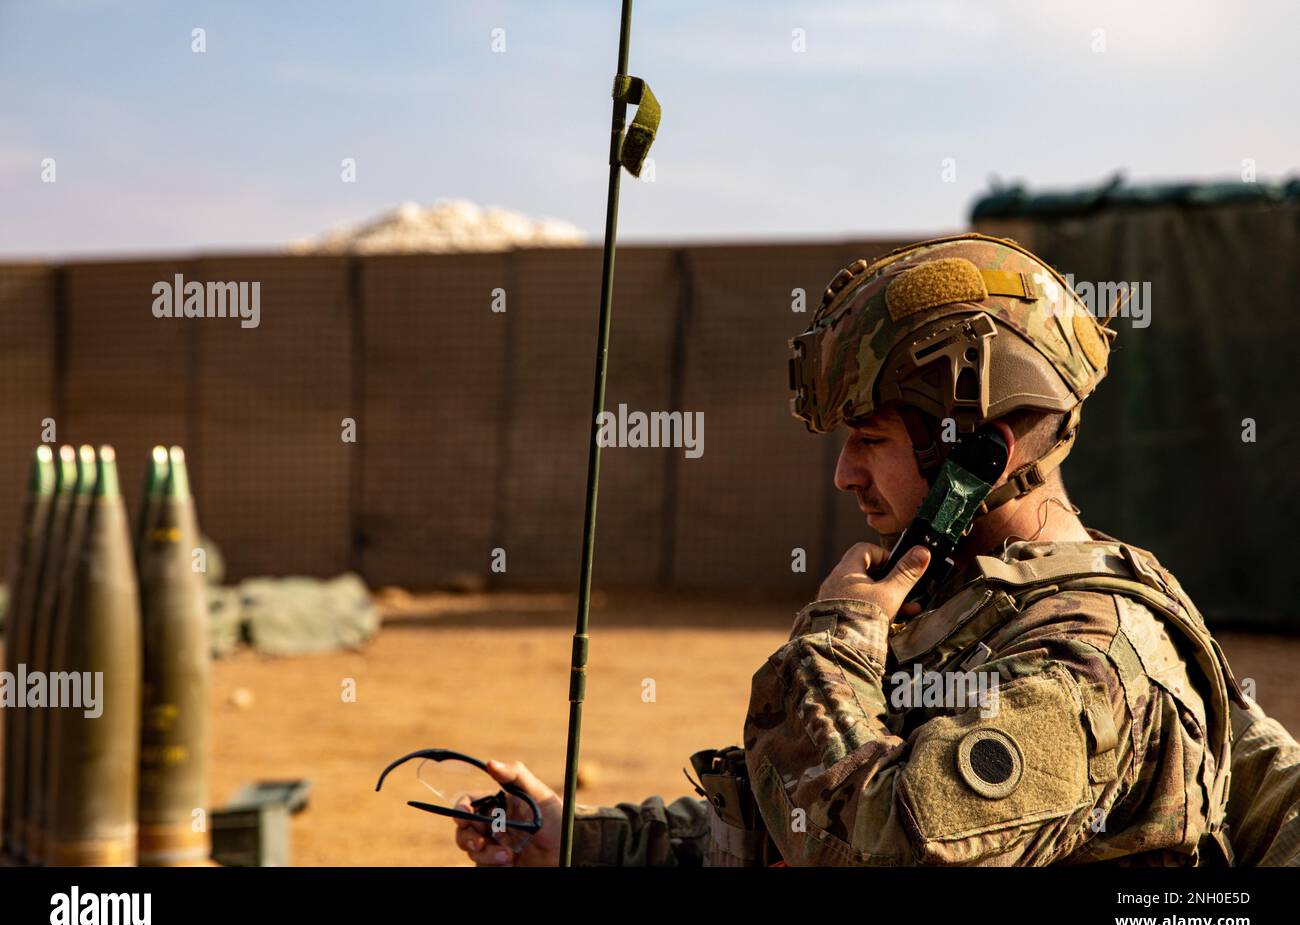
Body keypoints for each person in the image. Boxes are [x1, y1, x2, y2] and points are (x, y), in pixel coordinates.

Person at [452, 233, 1275, 866]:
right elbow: (798, 815)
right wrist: (579, 839)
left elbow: (885, 845)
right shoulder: (961, 598)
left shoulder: (1082, 661)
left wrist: (830, 650)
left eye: (870, 440)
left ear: (979, 452)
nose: (845, 475)